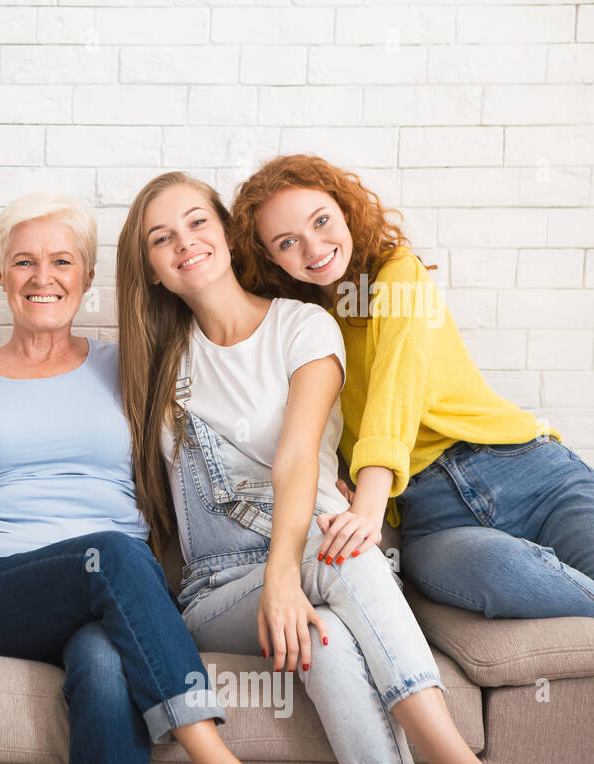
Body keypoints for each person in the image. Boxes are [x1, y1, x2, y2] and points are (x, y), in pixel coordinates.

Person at [116, 170, 594, 764]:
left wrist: (292, 567)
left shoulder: (304, 325)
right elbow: (51, 363)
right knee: (346, 556)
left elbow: (297, 457)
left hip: (313, 554)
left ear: (224, 232)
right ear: (152, 271)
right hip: (223, 588)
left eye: (197, 222)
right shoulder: (156, 363)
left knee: (330, 634)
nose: (185, 243)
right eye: (162, 239)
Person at [0, 191, 333, 764]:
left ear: (86, 276)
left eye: (61, 261)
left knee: (107, 668)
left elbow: (230, 417)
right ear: (0, 276)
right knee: (107, 556)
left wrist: (330, 476)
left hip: (114, 598)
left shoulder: (131, 365)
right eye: (23, 262)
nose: (42, 277)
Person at [228, 153, 594, 620]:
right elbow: (300, 417)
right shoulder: (296, 326)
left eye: (321, 220)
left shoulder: (396, 272)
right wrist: (334, 474)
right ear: (269, 256)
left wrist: (367, 509)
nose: (313, 246)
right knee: (500, 572)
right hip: (432, 515)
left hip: (528, 471)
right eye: (286, 242)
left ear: (344, 210)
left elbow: (392, 393)